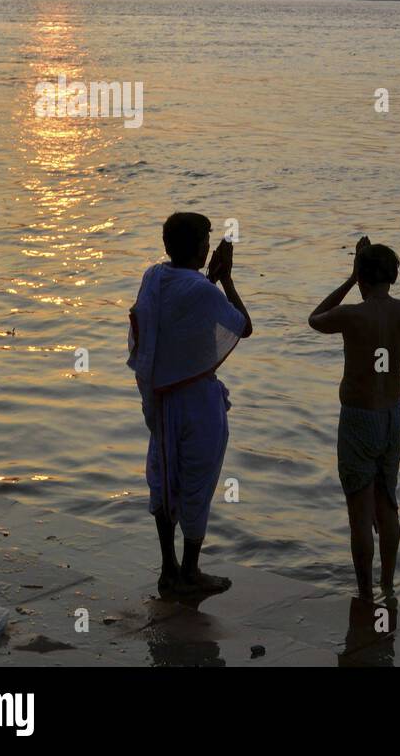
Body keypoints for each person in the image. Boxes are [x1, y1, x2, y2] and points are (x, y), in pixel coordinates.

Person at [128, 212, 252, 596]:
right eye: (205, 240)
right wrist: (226, 277)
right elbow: (242, 325)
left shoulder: (155, 278)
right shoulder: (201, 290)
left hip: (163, 401)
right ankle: (191, 570)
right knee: (197, 483)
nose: (207, 246)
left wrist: (210, 279)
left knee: (165, 480)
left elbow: (178, 318)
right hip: (196, 401)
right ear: (198, 247)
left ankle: (169, 570)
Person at [309, 236, 400, 601]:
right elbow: (380, 311)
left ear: (363, 278)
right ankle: (388, 585)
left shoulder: (350, 316)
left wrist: (349, 279)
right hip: (393, 416)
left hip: (359, 419)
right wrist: (363, 275)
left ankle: (365, 593)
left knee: (359, 513)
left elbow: (315, 318)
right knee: (387, 504)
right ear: (394, 275)